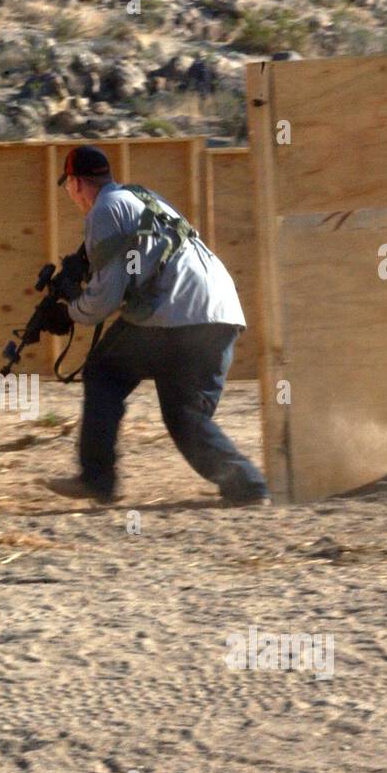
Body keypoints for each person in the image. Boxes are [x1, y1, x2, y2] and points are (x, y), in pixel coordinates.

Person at [41, 145, 270, 506]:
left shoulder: (104, 209)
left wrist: (69, 311)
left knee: (104, 371)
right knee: (185, 415)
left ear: (76, 182)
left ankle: (98, 479)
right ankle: (248, 486)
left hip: (175, 313)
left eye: (68, 186)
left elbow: (104, 300)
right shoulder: (140, 197)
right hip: (220, 310)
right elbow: (136, 265)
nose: (70, 195)